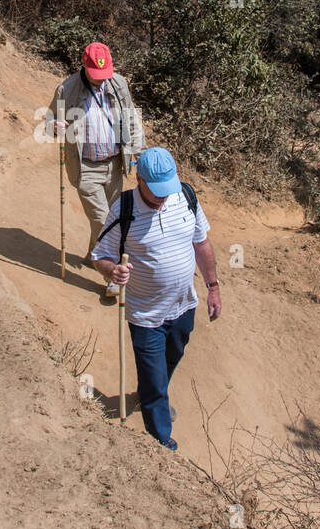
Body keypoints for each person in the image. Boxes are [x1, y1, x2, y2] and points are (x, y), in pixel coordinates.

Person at [92, 147, 222, 451]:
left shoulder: (186, 196)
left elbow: (201, 243)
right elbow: (100, 256)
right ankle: (162, 443)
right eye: (156, 190)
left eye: (167, 188)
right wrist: (113, 271)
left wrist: (213, 286)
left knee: (172, 358)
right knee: (152, 382)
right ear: (139, 179)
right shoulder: (123, 209)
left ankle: (156, 393)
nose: (164, 196)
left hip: (183, 306)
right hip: (145, 316)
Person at [45, 42, 146, 298]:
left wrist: (140, 156)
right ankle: (112, 275)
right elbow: (47, 122)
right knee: (103, 221)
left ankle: (94, 255)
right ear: (84, 65)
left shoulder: (119, 84)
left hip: (114, 163)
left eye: (105, 74)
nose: (101, 80)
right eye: (96, 74)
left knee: (111, 220)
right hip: (86, 167)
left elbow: (131, 120)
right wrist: (54, 126)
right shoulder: (66, 90)